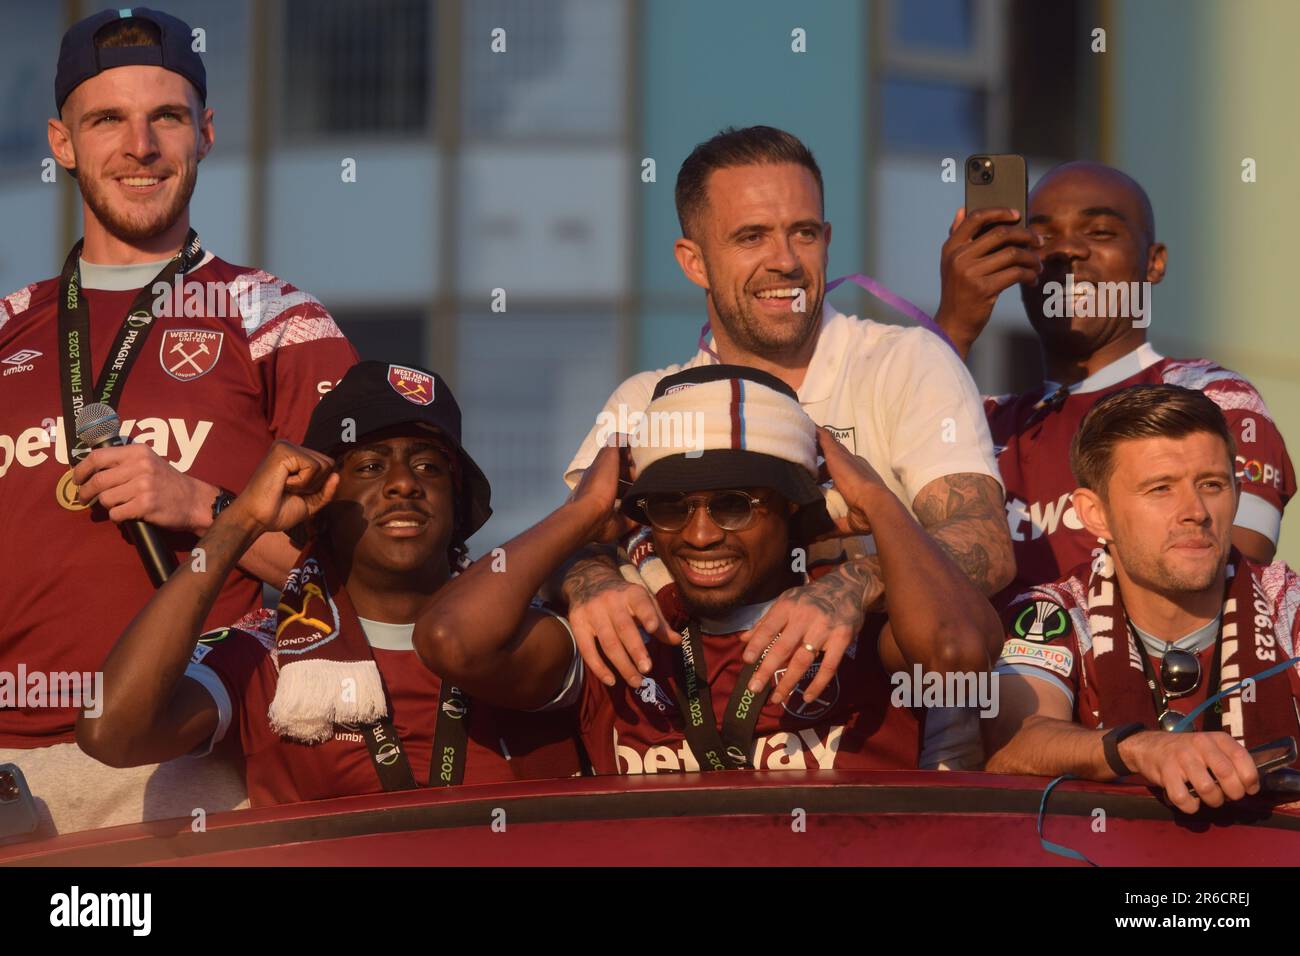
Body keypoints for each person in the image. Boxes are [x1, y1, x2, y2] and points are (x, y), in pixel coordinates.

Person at [0, 8, 358, 832]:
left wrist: (200, 504)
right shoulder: (11, 322)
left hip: (184, 764)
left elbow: (364, 580)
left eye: (166, 117)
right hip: (12, 775)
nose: (140, 146)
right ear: (62, 143)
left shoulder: (276, 317)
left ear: (205, 132)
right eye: (107, 120)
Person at [560, 126, 1014, 769]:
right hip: (685, 773)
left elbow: (986, 541)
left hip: (904, 777)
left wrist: (855, 584)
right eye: (751, 237)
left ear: (827, 240)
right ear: (693, 261)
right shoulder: (643, 401)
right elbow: (566, 544)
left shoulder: (904, 360)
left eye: (804, 232)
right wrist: (590, 581)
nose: (786, 261)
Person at [415, 366, 1002, 775]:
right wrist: (584, 512)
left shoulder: (851, 619)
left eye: (734, 504)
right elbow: (452, 639)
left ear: (793, 506)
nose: (699, 535)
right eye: (671, 507)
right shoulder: (618, 631)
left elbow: (959, 652)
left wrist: (877, 501)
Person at [78, 361, 585, 803]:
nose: (405, 482)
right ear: (319, 508)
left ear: (458, 509)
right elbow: (111, 732)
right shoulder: (263, 654)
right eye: (369, 465)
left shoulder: (523, 636)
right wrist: (242, 521)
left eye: (428, 465)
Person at [934, 160, 1294, 602]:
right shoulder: (979, 420)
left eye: (1100, 232)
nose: (1067, 250)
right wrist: (953, 327)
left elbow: (1223, 578)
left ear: (1154, 262)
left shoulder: (1213, 396)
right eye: (1042, 237)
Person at [983, 385, 1300, 815]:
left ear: (1237, 496)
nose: (1196, 511)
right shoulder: (1053, 610)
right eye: (1160, 489)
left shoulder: (1288, 603)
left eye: (1211, 484)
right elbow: (1016, 739)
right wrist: (1141, 750)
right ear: (1096, 514)